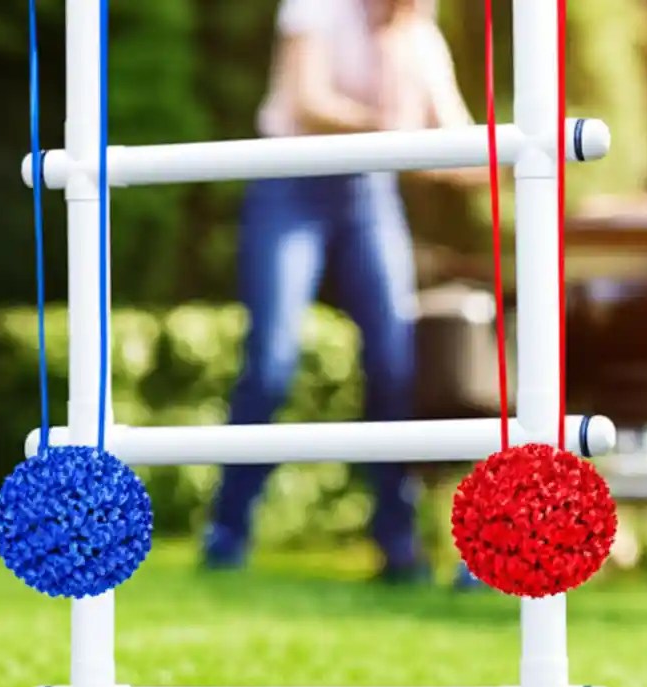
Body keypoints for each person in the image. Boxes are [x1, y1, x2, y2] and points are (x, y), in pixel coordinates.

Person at [203, 0, 484, 585]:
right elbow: (307, 99)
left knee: (393, 363)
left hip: (367, 189)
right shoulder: (316, 7)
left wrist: (489, 156)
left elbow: (453, 134)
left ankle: (398, 544)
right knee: (272, 361)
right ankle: (227, 532)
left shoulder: (418, 36)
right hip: (291, 179)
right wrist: (394, 131)